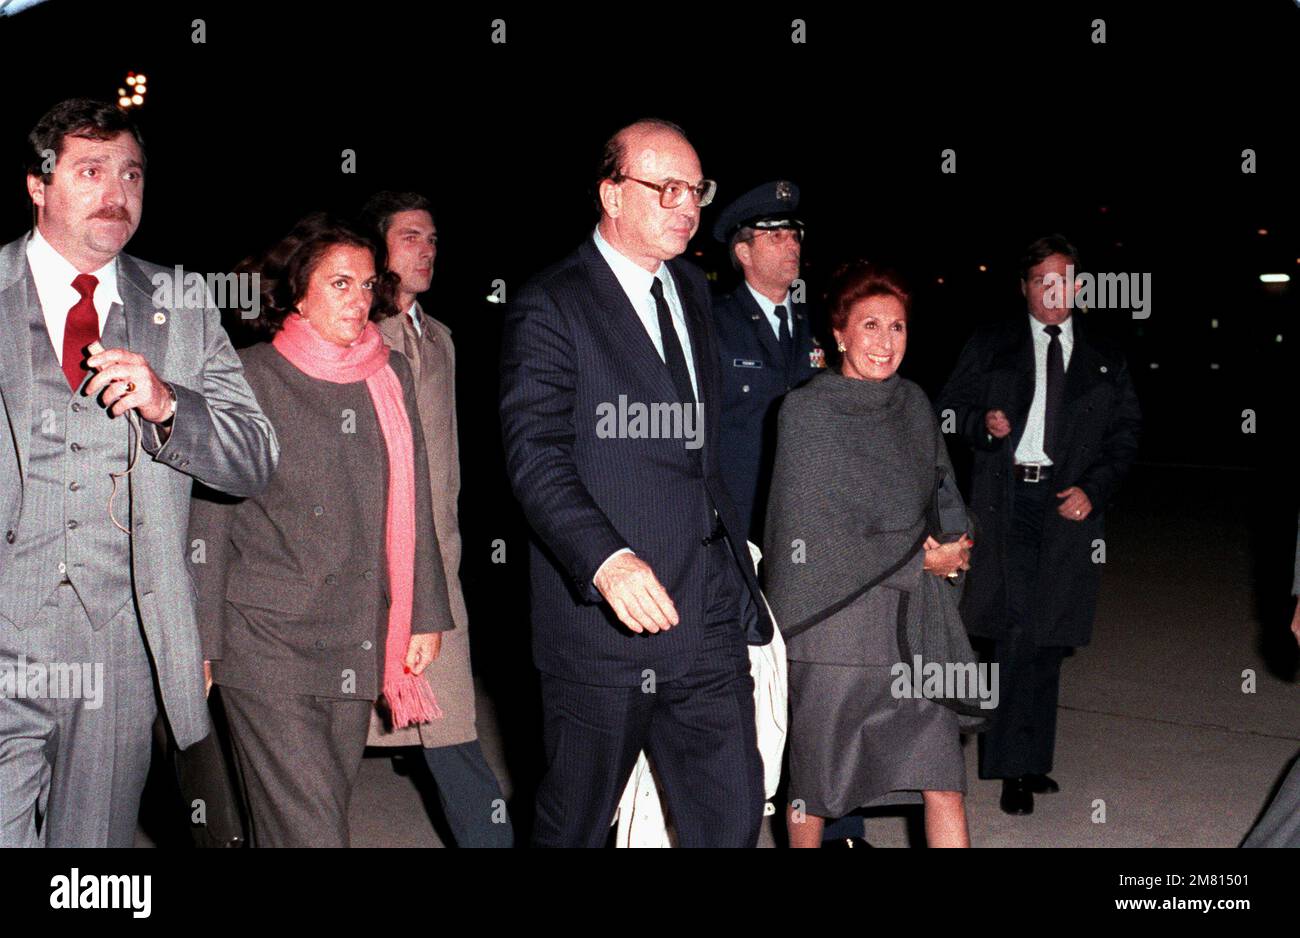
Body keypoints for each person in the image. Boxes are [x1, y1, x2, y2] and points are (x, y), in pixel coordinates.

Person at [0, 98, 278, 847]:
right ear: (38, 184)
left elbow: (255, 457)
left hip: (122, 646)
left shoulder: (185, 302)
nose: (116, 192)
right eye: (90, 171)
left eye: (130, 172)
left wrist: (168, 407)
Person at [500, 118, 771, 847]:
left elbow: (698, 454)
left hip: (708, 611)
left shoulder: (688, 287)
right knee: (576, 825)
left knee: (732, 818)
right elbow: (535, 455)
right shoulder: (551, 305)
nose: (688, 205)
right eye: (668, 188)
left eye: (697, 189)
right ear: (610, 194)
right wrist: (607, 559)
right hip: (605, 629)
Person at [188, 214, 455, 847]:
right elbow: (209, 519)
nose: (359, 300)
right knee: (312, 833)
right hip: (266, 641)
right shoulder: (248, 378)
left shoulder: (386, 378)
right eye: (339, 283)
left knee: (309, 819)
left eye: (367, 285)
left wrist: (424, 613)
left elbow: (416, 502)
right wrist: (199, 640)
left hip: (356, 636)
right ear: (297, 293)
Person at [765, 262, 976, 848]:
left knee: (944, 779)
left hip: (914, 627)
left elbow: (943, 490)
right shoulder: (808, 413)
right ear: (839, 333)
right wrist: (917, 564)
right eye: (871, 325)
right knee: (816, 789)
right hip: (835, 630)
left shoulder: (912, 404)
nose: (885, 342)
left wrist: (960, 541)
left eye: (898, 327)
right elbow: (807, 537)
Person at [937, 234, 1141, 815]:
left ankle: (1034, 759)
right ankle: (1009, 769)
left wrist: (1094, 491)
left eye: (1067, 279)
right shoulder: (993, 343)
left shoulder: (1105, 354)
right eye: (1043, 279)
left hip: (1068, 510)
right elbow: (946, 409)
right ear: (1024, 286)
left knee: (1049, 637)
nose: (1057, 291)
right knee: (1011, 633)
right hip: (1008, 504)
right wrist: (983, 422)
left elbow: (1127, 433)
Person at [358, 191, 513, 847]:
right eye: (410, 237)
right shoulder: (359, 338)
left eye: (433, 238)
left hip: (436, 567)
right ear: (377, 250)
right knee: (316, 751)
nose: (427, 250)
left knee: (451, 733)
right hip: (373, 577)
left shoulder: (440, 338)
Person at [711, 180, 824, 547]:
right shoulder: (714, 325)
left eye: (794, 235)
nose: (792, 245)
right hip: (742, 522)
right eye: (776, 237)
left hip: (811, 515)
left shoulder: (821, 322)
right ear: (743, 252)